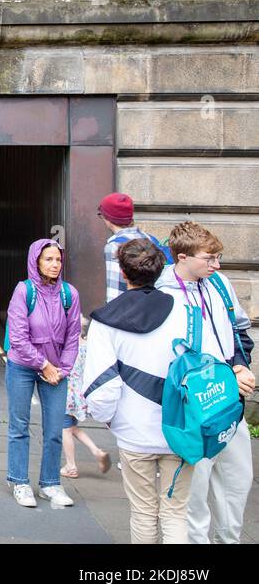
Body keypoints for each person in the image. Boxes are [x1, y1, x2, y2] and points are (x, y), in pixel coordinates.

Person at [83, 238, 193, 543]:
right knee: (175, 513)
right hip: (181, 427)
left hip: (134, 430)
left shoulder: (105, 320)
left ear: (122, 271)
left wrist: (108, 418)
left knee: (143, 512)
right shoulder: (185, 311)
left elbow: (102, 387)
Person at [154, 221, 255, 544]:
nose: (217, 264)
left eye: (218, 257)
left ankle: (230, 539)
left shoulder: (220, 284)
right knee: (194, 490)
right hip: (192, 404)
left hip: (228, 397)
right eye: (209, 258)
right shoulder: (160, 293)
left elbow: (241, 332)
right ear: (182, 257)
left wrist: (240, 366)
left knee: (238, 479)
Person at [5, 238, 82, 508]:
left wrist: (63, 369)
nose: (54, 265)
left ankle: (50, 483)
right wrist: (44, 365)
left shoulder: (69, 293)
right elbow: (18, 337)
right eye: (48, 259)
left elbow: (73, 337)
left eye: (58, 260)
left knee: (54, 429)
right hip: (23, 366)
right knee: (19, 426)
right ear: (36, 261)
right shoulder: (23, 291)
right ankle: (19, 481)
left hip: (57, 371)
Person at [60, 325, 111, 479]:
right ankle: (97, 452)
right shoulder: (88, 347)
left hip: (66, 392)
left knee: (65, 430)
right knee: (72, 427)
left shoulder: (68, 347)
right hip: (79, 393)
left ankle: (71, 466)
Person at [98, 192, 156, 302]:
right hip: (153, 307)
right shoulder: (151, 240)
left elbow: (115, 293)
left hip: (129, 309)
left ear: (108, 218)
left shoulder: (114, 247)